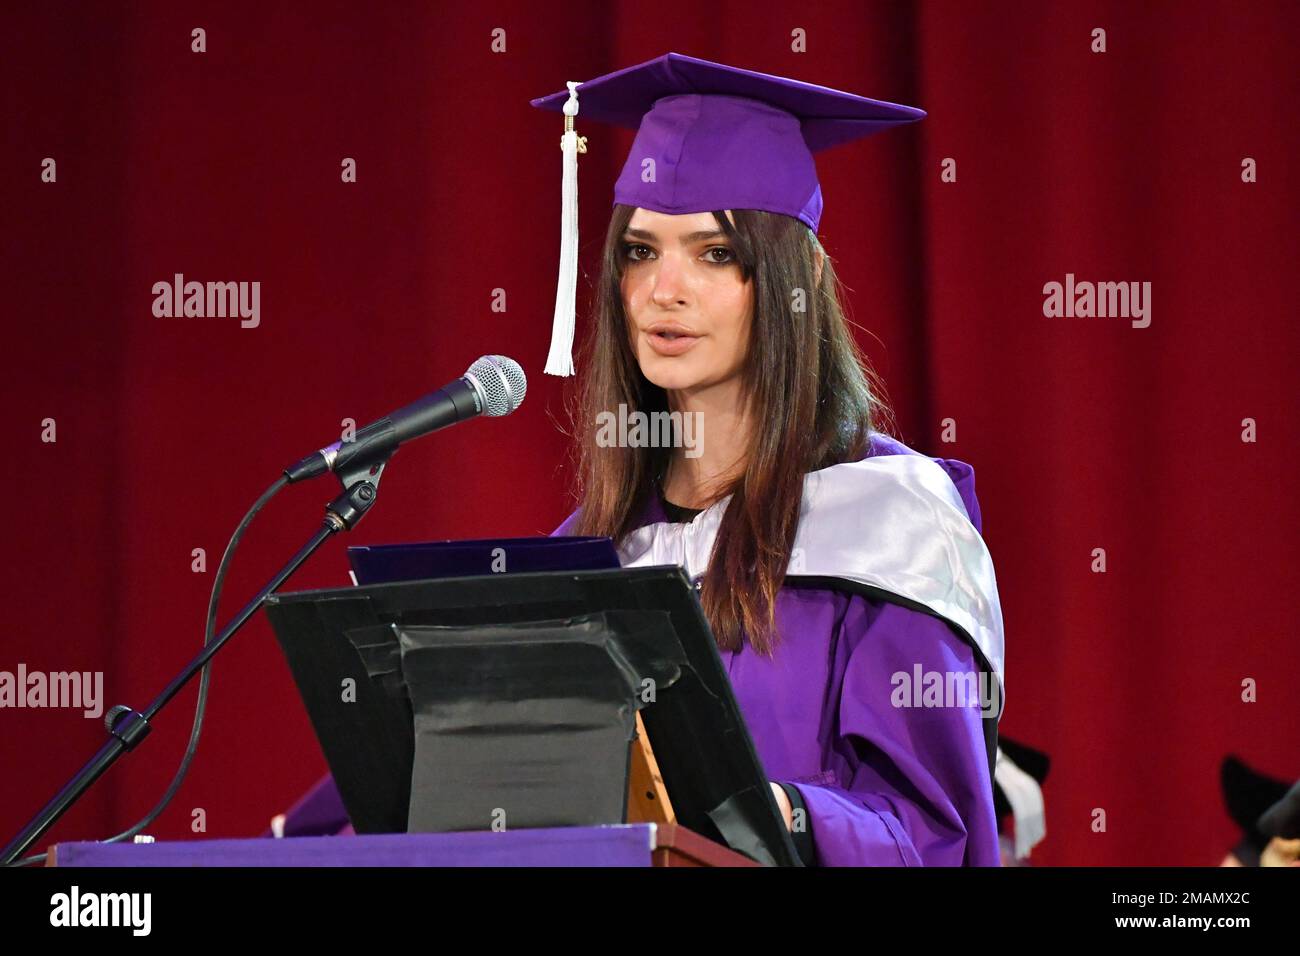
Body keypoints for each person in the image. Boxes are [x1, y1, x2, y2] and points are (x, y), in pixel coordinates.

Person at [535, 53, 1006, 866]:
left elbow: (931, 832)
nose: (663, 290)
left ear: (800, 277)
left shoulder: (886, 523)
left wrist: (775, 814)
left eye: (716, 254)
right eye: (640, 252)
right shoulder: (592, 548)